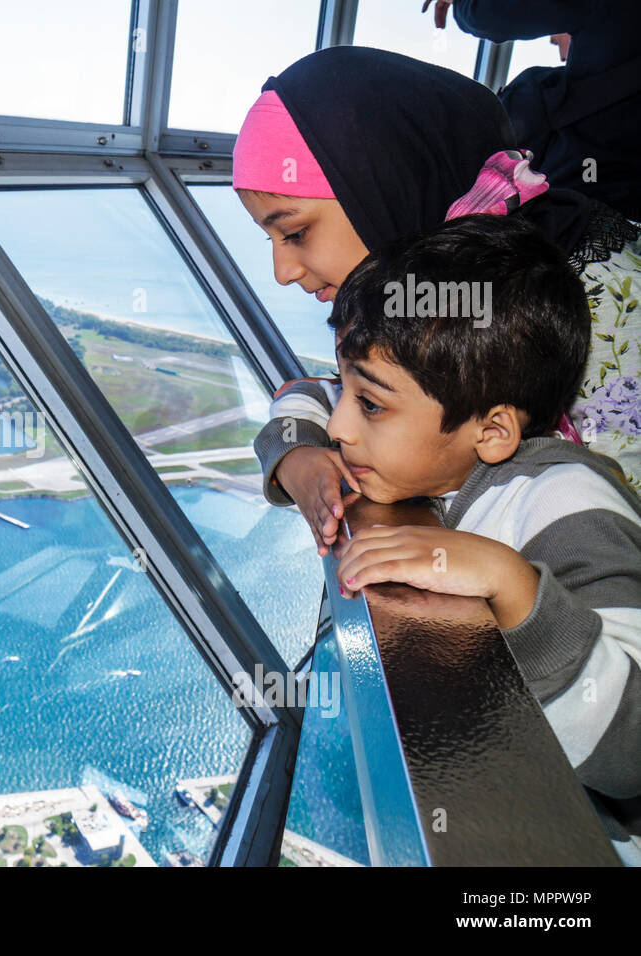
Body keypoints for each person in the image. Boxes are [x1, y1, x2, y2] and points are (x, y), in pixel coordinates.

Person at [232, 46, 641, 559]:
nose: (282, 272)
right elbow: (345, 395)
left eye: (294, 232)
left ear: (383, 182)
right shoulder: (428, 300)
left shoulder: (594, 310)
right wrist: (292, 451)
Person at [320, 213, 641, 864]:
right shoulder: (438, 456)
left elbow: (633, 754)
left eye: (370, 403)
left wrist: (512, 584)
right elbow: (299, 398)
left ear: (493, 432)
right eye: (343, 389)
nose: (338, 426)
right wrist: (294, 460)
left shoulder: (566, 502)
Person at [425, 0, 641, 221]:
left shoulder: (537, 94)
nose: (563, 57)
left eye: (554, 41)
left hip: (587, 196)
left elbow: (494, 14)